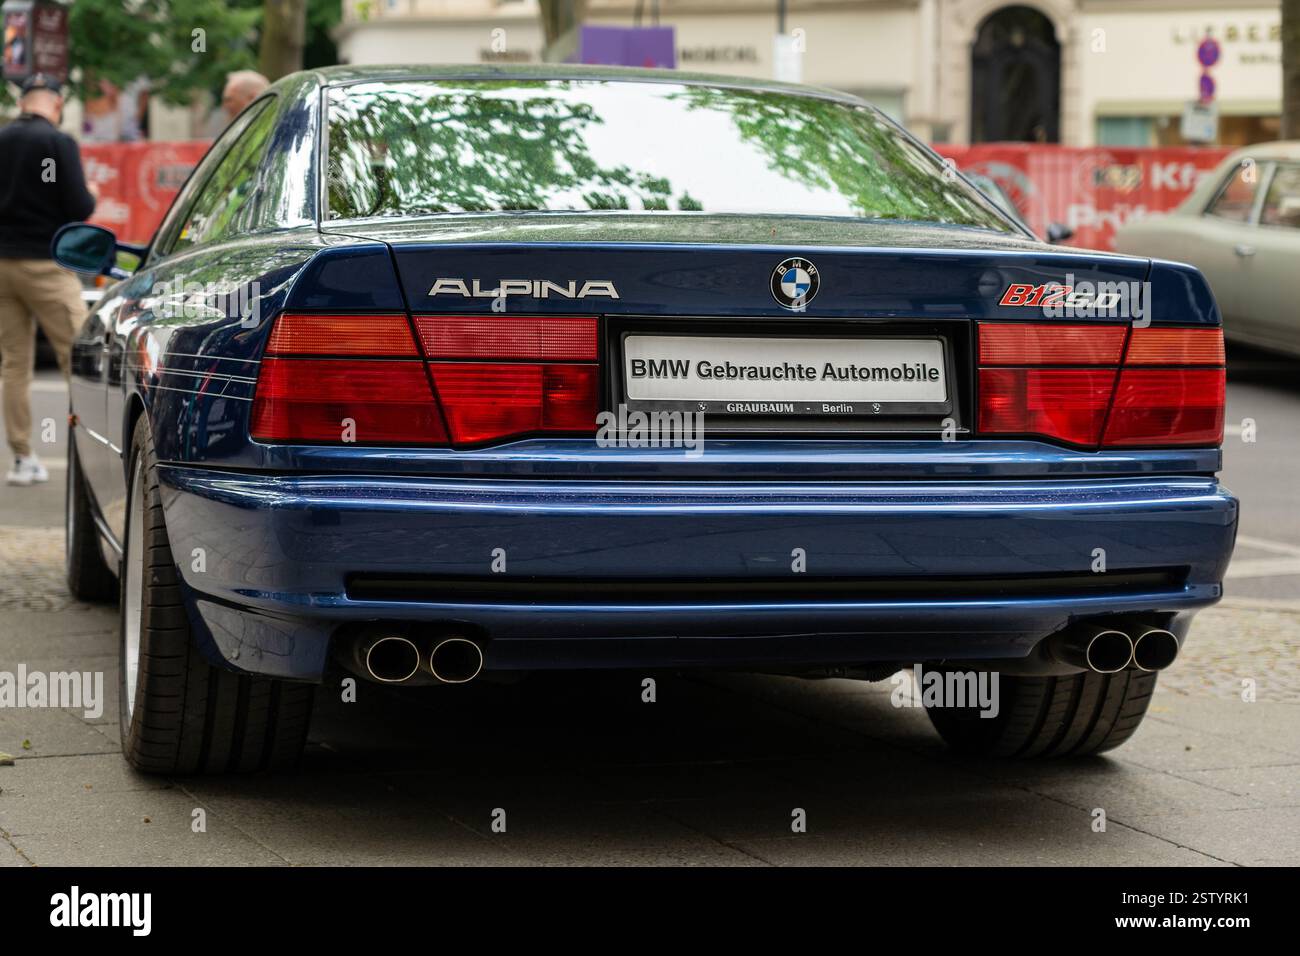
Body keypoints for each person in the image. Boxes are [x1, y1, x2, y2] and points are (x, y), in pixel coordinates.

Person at [0, 73, 97, 486]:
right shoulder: (58, 144)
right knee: (78, 357)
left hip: (2, 264)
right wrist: (90, 190)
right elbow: (79, 206)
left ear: (24, 102)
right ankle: (91, 451)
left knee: (15, 364)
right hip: (46, 264)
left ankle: (23, 457)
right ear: (56, 104)